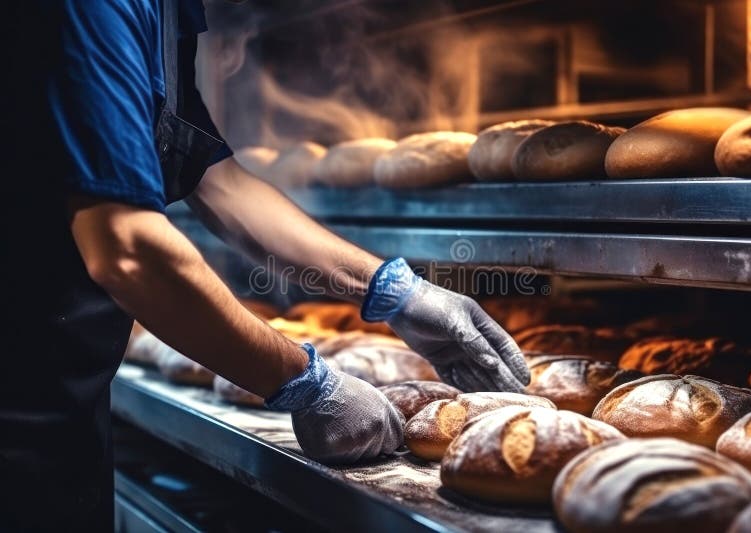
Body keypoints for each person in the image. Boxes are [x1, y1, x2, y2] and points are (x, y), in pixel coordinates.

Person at [1, 0, 529, 530]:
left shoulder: (165, 13)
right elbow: (127, 245)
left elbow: (221, 183)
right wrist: (304, 381)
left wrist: (394, 290)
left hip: (64, 412)